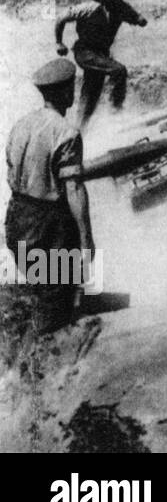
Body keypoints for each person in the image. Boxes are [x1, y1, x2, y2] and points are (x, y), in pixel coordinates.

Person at [5, 59, 93, 334]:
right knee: (57, 305)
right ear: (66, 92)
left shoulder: (21, 125)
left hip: (17, 218)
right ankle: (51, 356)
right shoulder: (66, 133)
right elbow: (74, 189)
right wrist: (86, 238)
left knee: (41, 287)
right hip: (47, 227)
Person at [55, 0, 148, 125]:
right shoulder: (89, 8)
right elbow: (61, 18)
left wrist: (139, 19)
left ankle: (80, 130)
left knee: (90, 98)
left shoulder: (120, 7)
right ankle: (115, 112)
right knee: (119, 70)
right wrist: (59, 43)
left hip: (101, 55)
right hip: (85, 53)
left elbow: (135, 16)